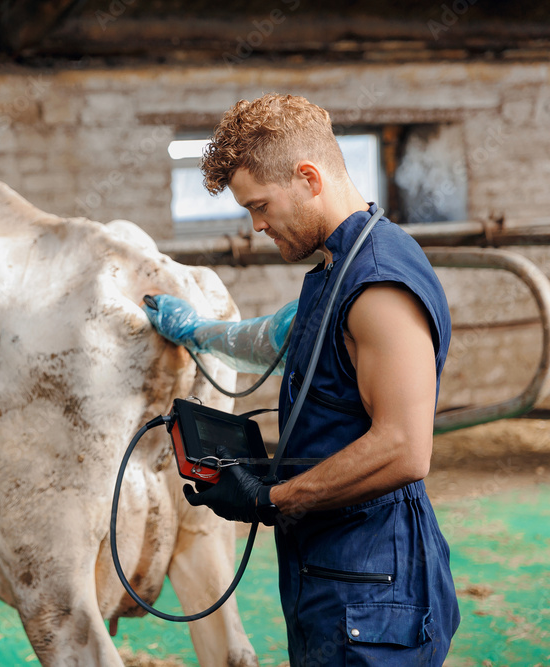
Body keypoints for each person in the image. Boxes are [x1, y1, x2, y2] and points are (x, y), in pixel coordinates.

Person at [143, 93, 459, 666]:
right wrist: (197, 332)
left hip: (373, 584)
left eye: (260, 205)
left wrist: (273, 495)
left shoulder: (378, 287)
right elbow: (273, 342)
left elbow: (405, 449)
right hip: (338, 571)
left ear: (308, 177)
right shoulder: (337, 267)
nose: (257, 224)